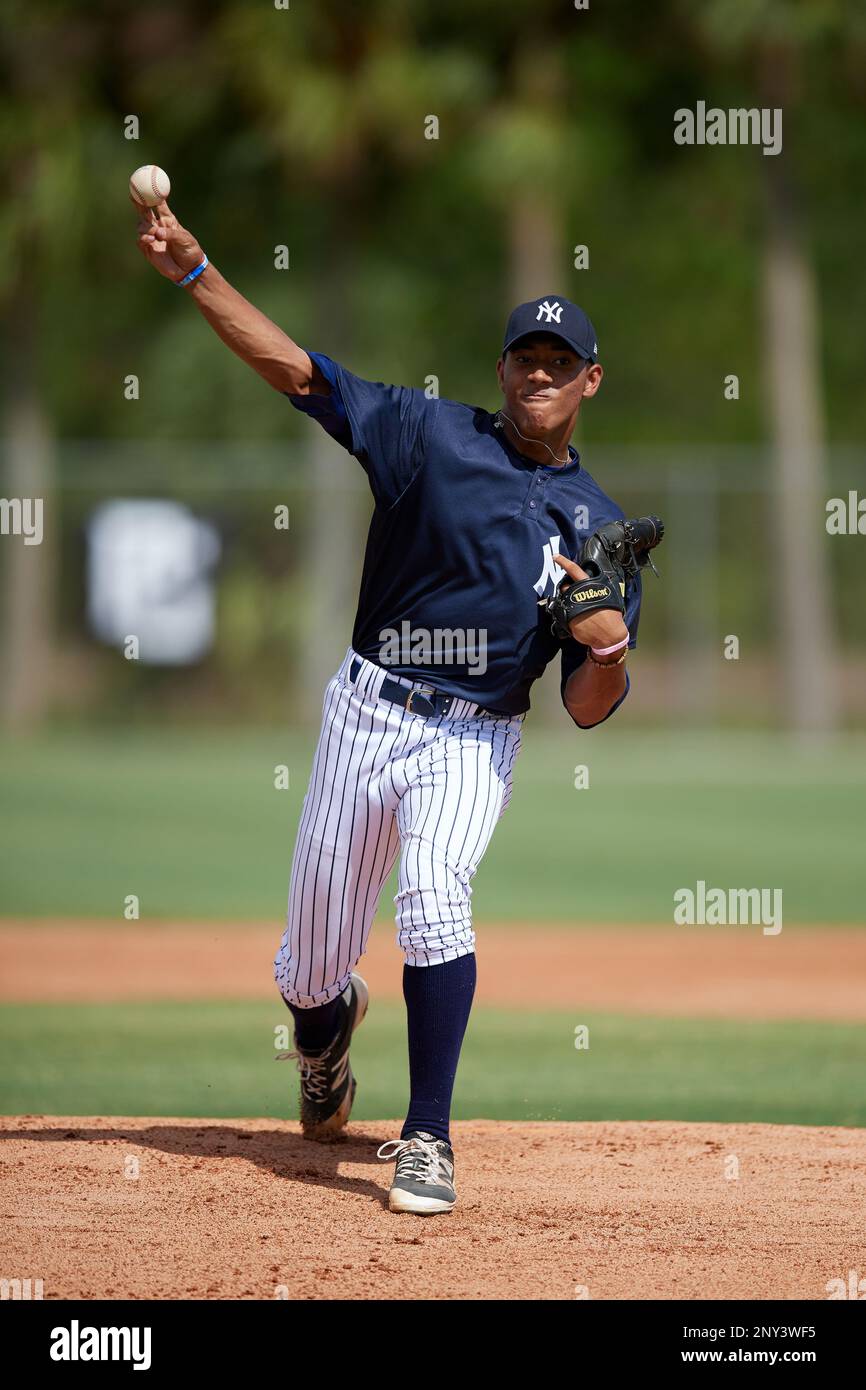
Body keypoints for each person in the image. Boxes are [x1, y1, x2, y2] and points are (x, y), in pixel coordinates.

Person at [134, 199, 642, 1216]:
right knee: (309, 966)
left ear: (589, 380)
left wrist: (607, 639)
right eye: (522, 357)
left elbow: (590, 706)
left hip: (472, 736)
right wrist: (197, 274)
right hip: (364, 713)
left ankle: (426, 1136)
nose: (538, 372)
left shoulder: (596, 526)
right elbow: (296, 371)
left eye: (559, 360)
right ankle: (325, 1041)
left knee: (432, 899)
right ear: (500, 370)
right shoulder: (424, 433)